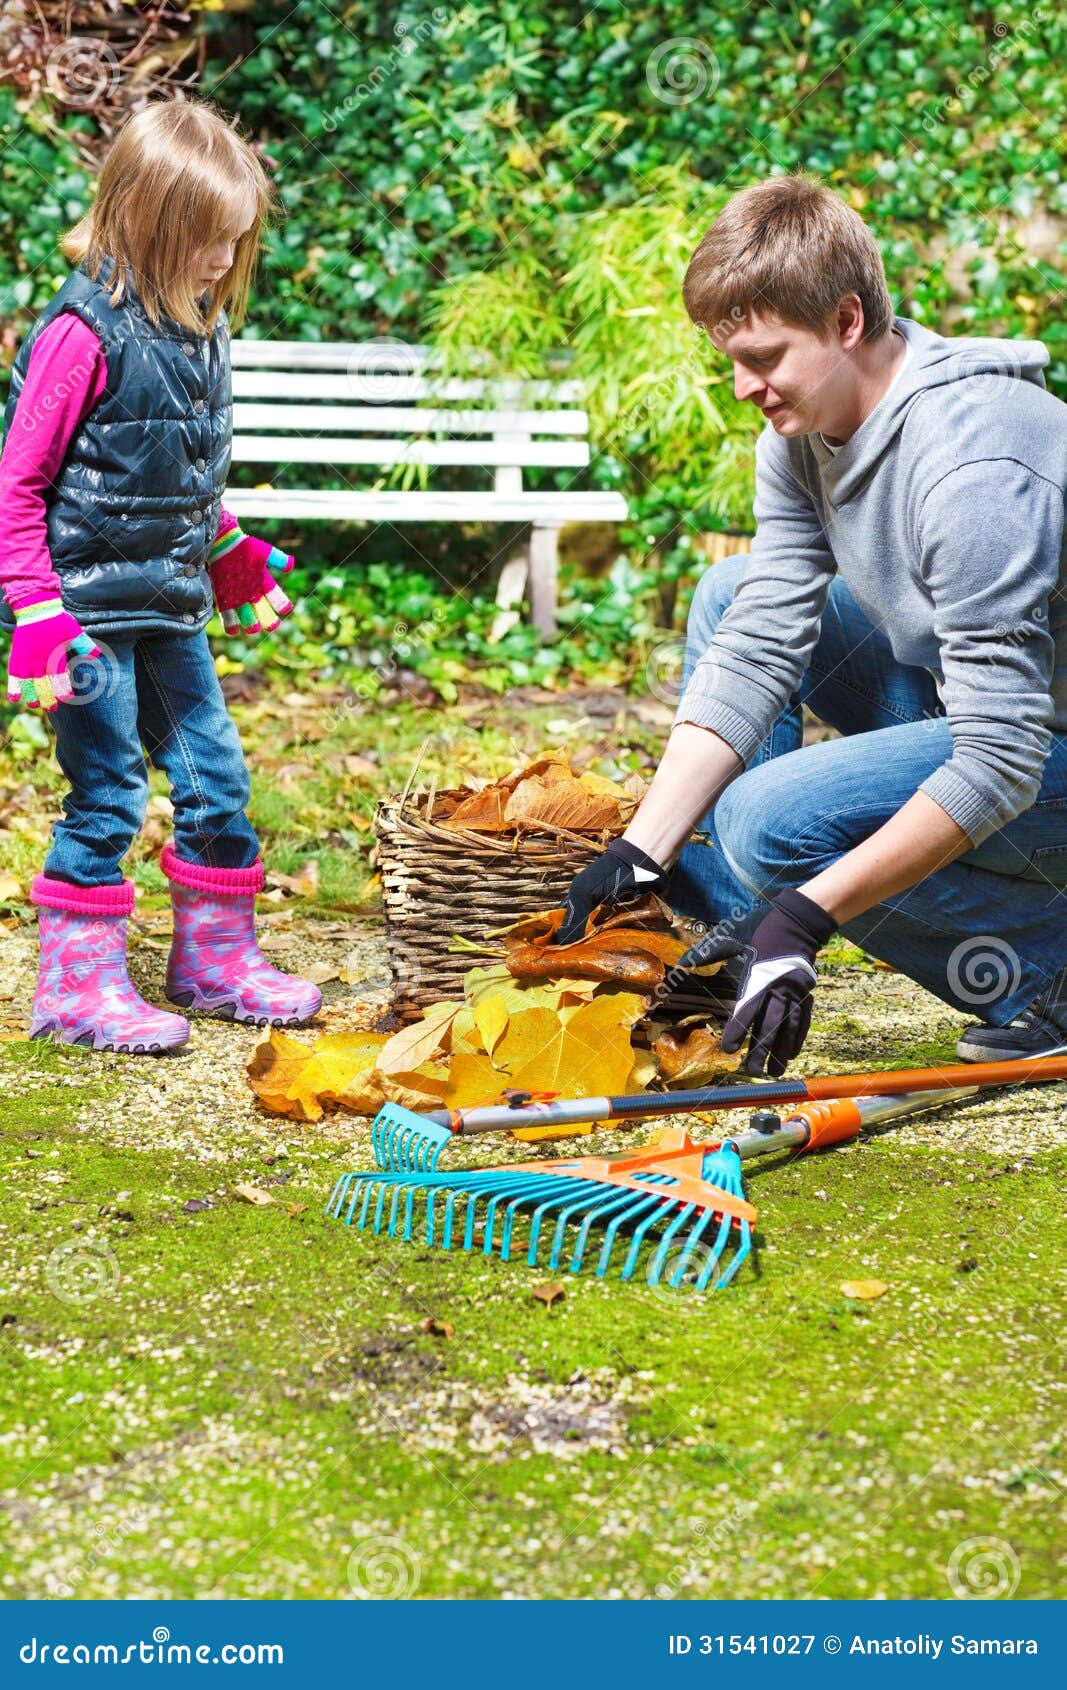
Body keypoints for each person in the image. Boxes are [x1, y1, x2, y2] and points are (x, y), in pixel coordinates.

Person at [552, 174, 1067, 1079]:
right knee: (729, 595)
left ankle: (1040, 971)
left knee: (769, 822)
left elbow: (1000, 756)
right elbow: (757, 639)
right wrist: (641, 848)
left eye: (764, 357)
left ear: (846, 321)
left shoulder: (975, 465)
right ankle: (731, 939)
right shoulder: (797, 438)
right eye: (732, 361)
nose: (745, 388)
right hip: (998, 700)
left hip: (1030, 738)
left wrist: (807, 913)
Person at [0, 98, 322, 1053]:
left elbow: (174, 472)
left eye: (235, 240)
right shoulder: (81, 336)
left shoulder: (199, 329)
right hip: (83, 615)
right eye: (203, 239)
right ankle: (73, 988)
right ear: (142, 219)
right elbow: (16, 488)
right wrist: (37, 613)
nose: (222, 261)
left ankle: (212, 963)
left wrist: (222, 547)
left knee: (215, 776)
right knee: (107, 792)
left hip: (169, 606)